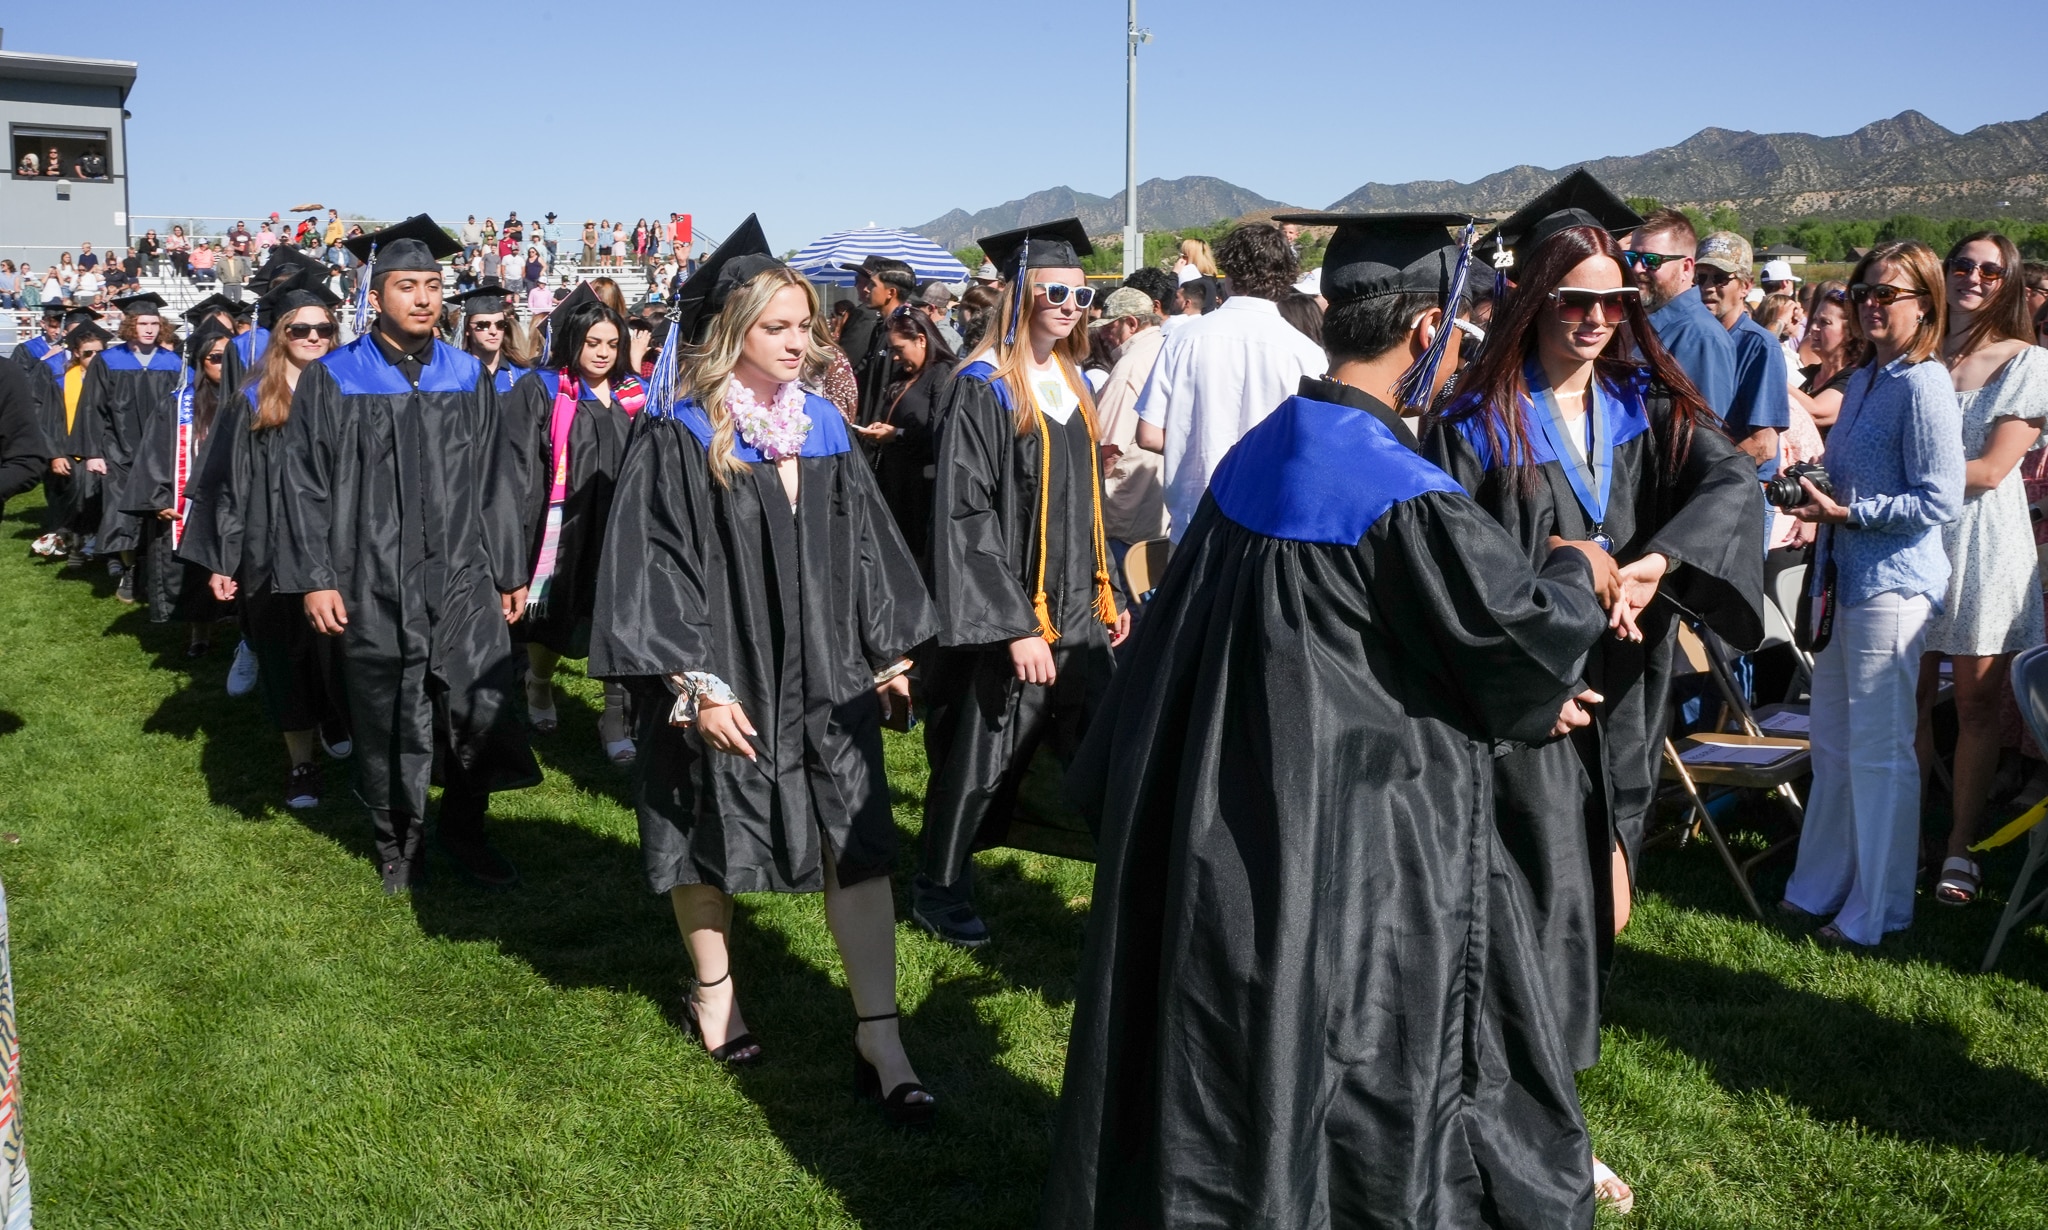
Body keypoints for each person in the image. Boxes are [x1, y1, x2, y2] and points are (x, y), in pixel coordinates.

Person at [1042, 222, 1624, 1228]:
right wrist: (1576, 568)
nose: (1461, 348)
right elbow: (1511, 639)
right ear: (1414, 330)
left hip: (1226, 801)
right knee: (1349, 1041)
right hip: (1351, 825)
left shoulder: (1257, 451)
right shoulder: (1396, 491)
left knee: (1235, 1034)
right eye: (1454, 330)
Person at [1426, 215, 1766, 1208]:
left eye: (1608, 302)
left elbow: (1730, 478)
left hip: (1622, 696)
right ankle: (1526, 1124)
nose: (1590, 318)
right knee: (1533, 911)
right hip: (1530, 710)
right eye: (1571, 299)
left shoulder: (1641, 405)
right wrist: (1528, 673)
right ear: (1530, 300)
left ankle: (1540, 1110)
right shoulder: (1474, 422)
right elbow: (1457, 578)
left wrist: (1658, 561)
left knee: (1597, 909)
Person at [588, 216, 939, 1123]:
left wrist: (887, 649)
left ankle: (880, 1031)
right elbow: (651, 564)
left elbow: (864, 544)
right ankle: (715, 987)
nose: (799, 342)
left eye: (807, 326)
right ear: (732, 331)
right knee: (707, 825)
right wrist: (692, 683)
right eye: (778, 327)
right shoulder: (680, 432)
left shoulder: (820, 423)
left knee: (855, 842)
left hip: (826, 673)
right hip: (724, 670)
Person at [274, 213, 540, 894]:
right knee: (388, 705)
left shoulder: (465, 374)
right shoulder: (338, 376)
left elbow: (496, 479)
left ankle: (466, 827)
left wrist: (509, 569)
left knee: (476, 703)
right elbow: (303, 483)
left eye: (432, 285)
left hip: (463, 572)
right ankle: (398, 841)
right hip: (372, 574)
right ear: (376, 294)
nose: (424, 298)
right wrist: (315, 578)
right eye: (407, 286)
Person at [917, 219, 1131, 948]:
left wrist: (1112, 595)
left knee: (1102, 750)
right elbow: (964, 514)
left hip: (1080, 609)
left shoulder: (1072, 384)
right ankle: (937, 890)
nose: (1072, 305)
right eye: (1056, 293)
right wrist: (1013, 626)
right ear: (1018, 299)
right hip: (1017, 611)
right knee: (982, 757)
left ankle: (1128, 892)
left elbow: (1087, 507)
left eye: (1082, 294)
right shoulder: (983, 389)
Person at [1781, 240, 1965, 948]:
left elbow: (1940, 499)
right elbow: (1850, 467)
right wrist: (1816, 484)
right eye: (1863, 292)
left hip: (1892, 586)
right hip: (1842, 581)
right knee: (1831, 743)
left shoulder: (1924, 383)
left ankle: (1878, 910)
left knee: (1880, 752)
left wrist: (1851, 514)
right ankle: (1819, 885)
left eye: (1887, 294)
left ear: (1925, 306)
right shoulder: (1865, 379)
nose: (1870, 305)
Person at [179, 278, 354, 808]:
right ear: (280, 334)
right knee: (284, 656)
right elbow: (228, 486)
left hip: (339, 548)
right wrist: (222, 560)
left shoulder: (352, 390)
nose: (314, 336)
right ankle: (301, 763)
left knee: (339, 649)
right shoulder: (251, 399)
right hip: (269, 550)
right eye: (300, 328)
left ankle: (334, 715)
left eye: (324, 328)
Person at [1919, 231, 2048, 907]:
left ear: (2010, 283)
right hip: (1909, 540)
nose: (1973, 276)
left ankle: (1959, 846)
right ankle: (1905, 832)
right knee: (1903, 698)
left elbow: (1995, 470)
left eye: (1991, 271)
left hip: (1982, 545)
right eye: (1962, 264)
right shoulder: (1920, 351)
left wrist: (1899, 479)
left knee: (1973, 706)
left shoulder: (2028, 361)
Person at [506, 284, 646, 765]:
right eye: (593, 343)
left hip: (621, 531)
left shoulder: (637, 396)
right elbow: (519, 468)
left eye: (612, 343)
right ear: (573, 342)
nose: (604, 353)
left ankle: (613, 715)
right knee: (554, 619)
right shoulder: (543, 389)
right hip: (560, 531)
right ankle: (539, 685)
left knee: (619, 619)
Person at [1134, 221, 1326, 540]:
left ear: (1229, 275)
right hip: (1269, 526)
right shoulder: (1306, 352)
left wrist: (1196, 443)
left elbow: (1149, 434)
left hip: (1193, 523)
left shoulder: (1183, 339)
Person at [118, 320, 227, 653]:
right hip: (193, 503)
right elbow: (154, 452)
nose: (224, 364)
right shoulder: (177, 405)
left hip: (235, 501)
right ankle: (200, 632)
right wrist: (158, 497)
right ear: (199, 362)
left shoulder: (248, 400)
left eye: (230, 357)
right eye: (216, 358)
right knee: (194, 567)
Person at [79, 294, 184, 603]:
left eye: (154, 323)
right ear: (130, 325)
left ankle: (156, 573)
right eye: (143, 323)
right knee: (121, 514)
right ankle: (129, 569)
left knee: (158, 514)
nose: (150, 329)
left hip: (160, 453)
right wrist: (93, 453)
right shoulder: (109, 360)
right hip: (119, 451)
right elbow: (91, 408)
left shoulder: (173, 362)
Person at [852, 303, 956, 577]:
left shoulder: (943, 373)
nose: (895, 358)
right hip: (896, 482)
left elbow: (942, 431)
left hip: (922, 489)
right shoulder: (907, 375)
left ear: (921, 340)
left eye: (899, 349)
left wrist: (895, 434)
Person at [1696, 231, 1792, 481]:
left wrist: (1703, 483)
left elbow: (1763, 445)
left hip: (1740, 489)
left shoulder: (1759, 346)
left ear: (1746, 286)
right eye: (1701, 277)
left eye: (1720, 279)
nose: (1707, 287)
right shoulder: (1695, 340)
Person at [1090, 285, 1170, 553]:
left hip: (1127, 515)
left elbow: (1107, 452)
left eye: (1109, 327)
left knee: (1126, 592)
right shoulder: (1170, 350)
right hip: (1162, 510)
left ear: (1131, 323)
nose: (1103, 335)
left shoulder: (1128, 368)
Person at [840, 255, 915, 419]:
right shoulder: (882, 327)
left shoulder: (908, 329)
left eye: (872, 285)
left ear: (891, 292)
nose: (866, 289)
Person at [1797, 281, 1863, 431]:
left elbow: (1816, 413)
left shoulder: (1855, 378)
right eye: (1814, 320)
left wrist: (1778, 381)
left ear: (1850, 332)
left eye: (1824, 322)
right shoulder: (1807, 375)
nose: (1814, 328)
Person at [450, 283, 529, 394]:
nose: (493, 331)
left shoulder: (522, 375)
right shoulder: (453, 376)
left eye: (500, 324)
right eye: (483, 325)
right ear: (467, 329)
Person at [914, 280, 964, 350]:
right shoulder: (933, 331)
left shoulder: (940, 338)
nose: (912, 309)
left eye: (916, 306)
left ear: (931, 309)